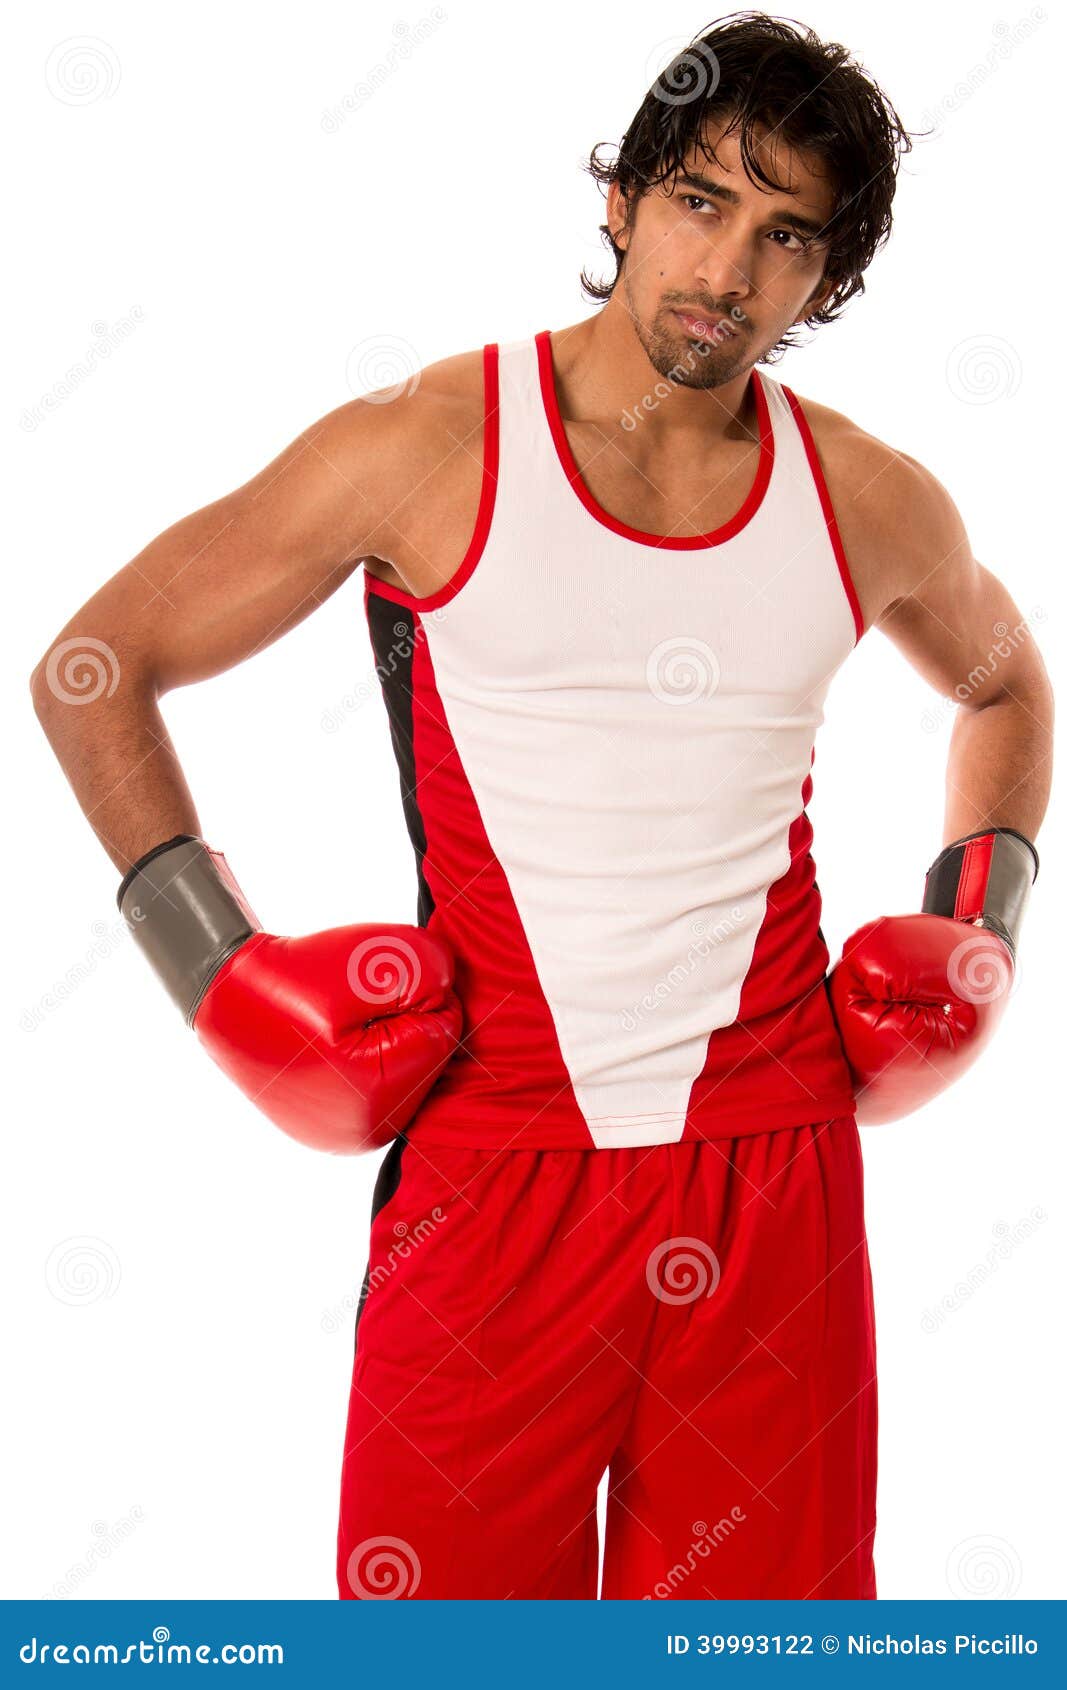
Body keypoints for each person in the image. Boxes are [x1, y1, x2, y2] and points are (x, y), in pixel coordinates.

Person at [31, 13, 1052, 1600]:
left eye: (788, 239)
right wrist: (220, 973)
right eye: (702, 202)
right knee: (442, 1652)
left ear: (828, 279)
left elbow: (1007, 688)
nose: (728, 272)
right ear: (622, 201)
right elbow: (98, 664)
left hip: (776, 1172)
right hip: (494, 1175)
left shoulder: (869, 495)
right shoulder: (431, 449)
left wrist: (976, 920)